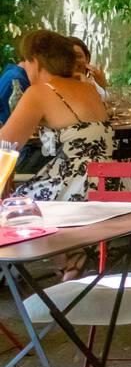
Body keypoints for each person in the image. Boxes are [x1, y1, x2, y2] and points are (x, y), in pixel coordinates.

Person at [0, 32, 112, 278]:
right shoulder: (87, 88)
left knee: (14, 207)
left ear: (36, 62)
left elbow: (5, 146)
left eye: (25, 62)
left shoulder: (39, 91)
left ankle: (64, 262)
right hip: (111, 181)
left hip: (77, 185)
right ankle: (69, 263)